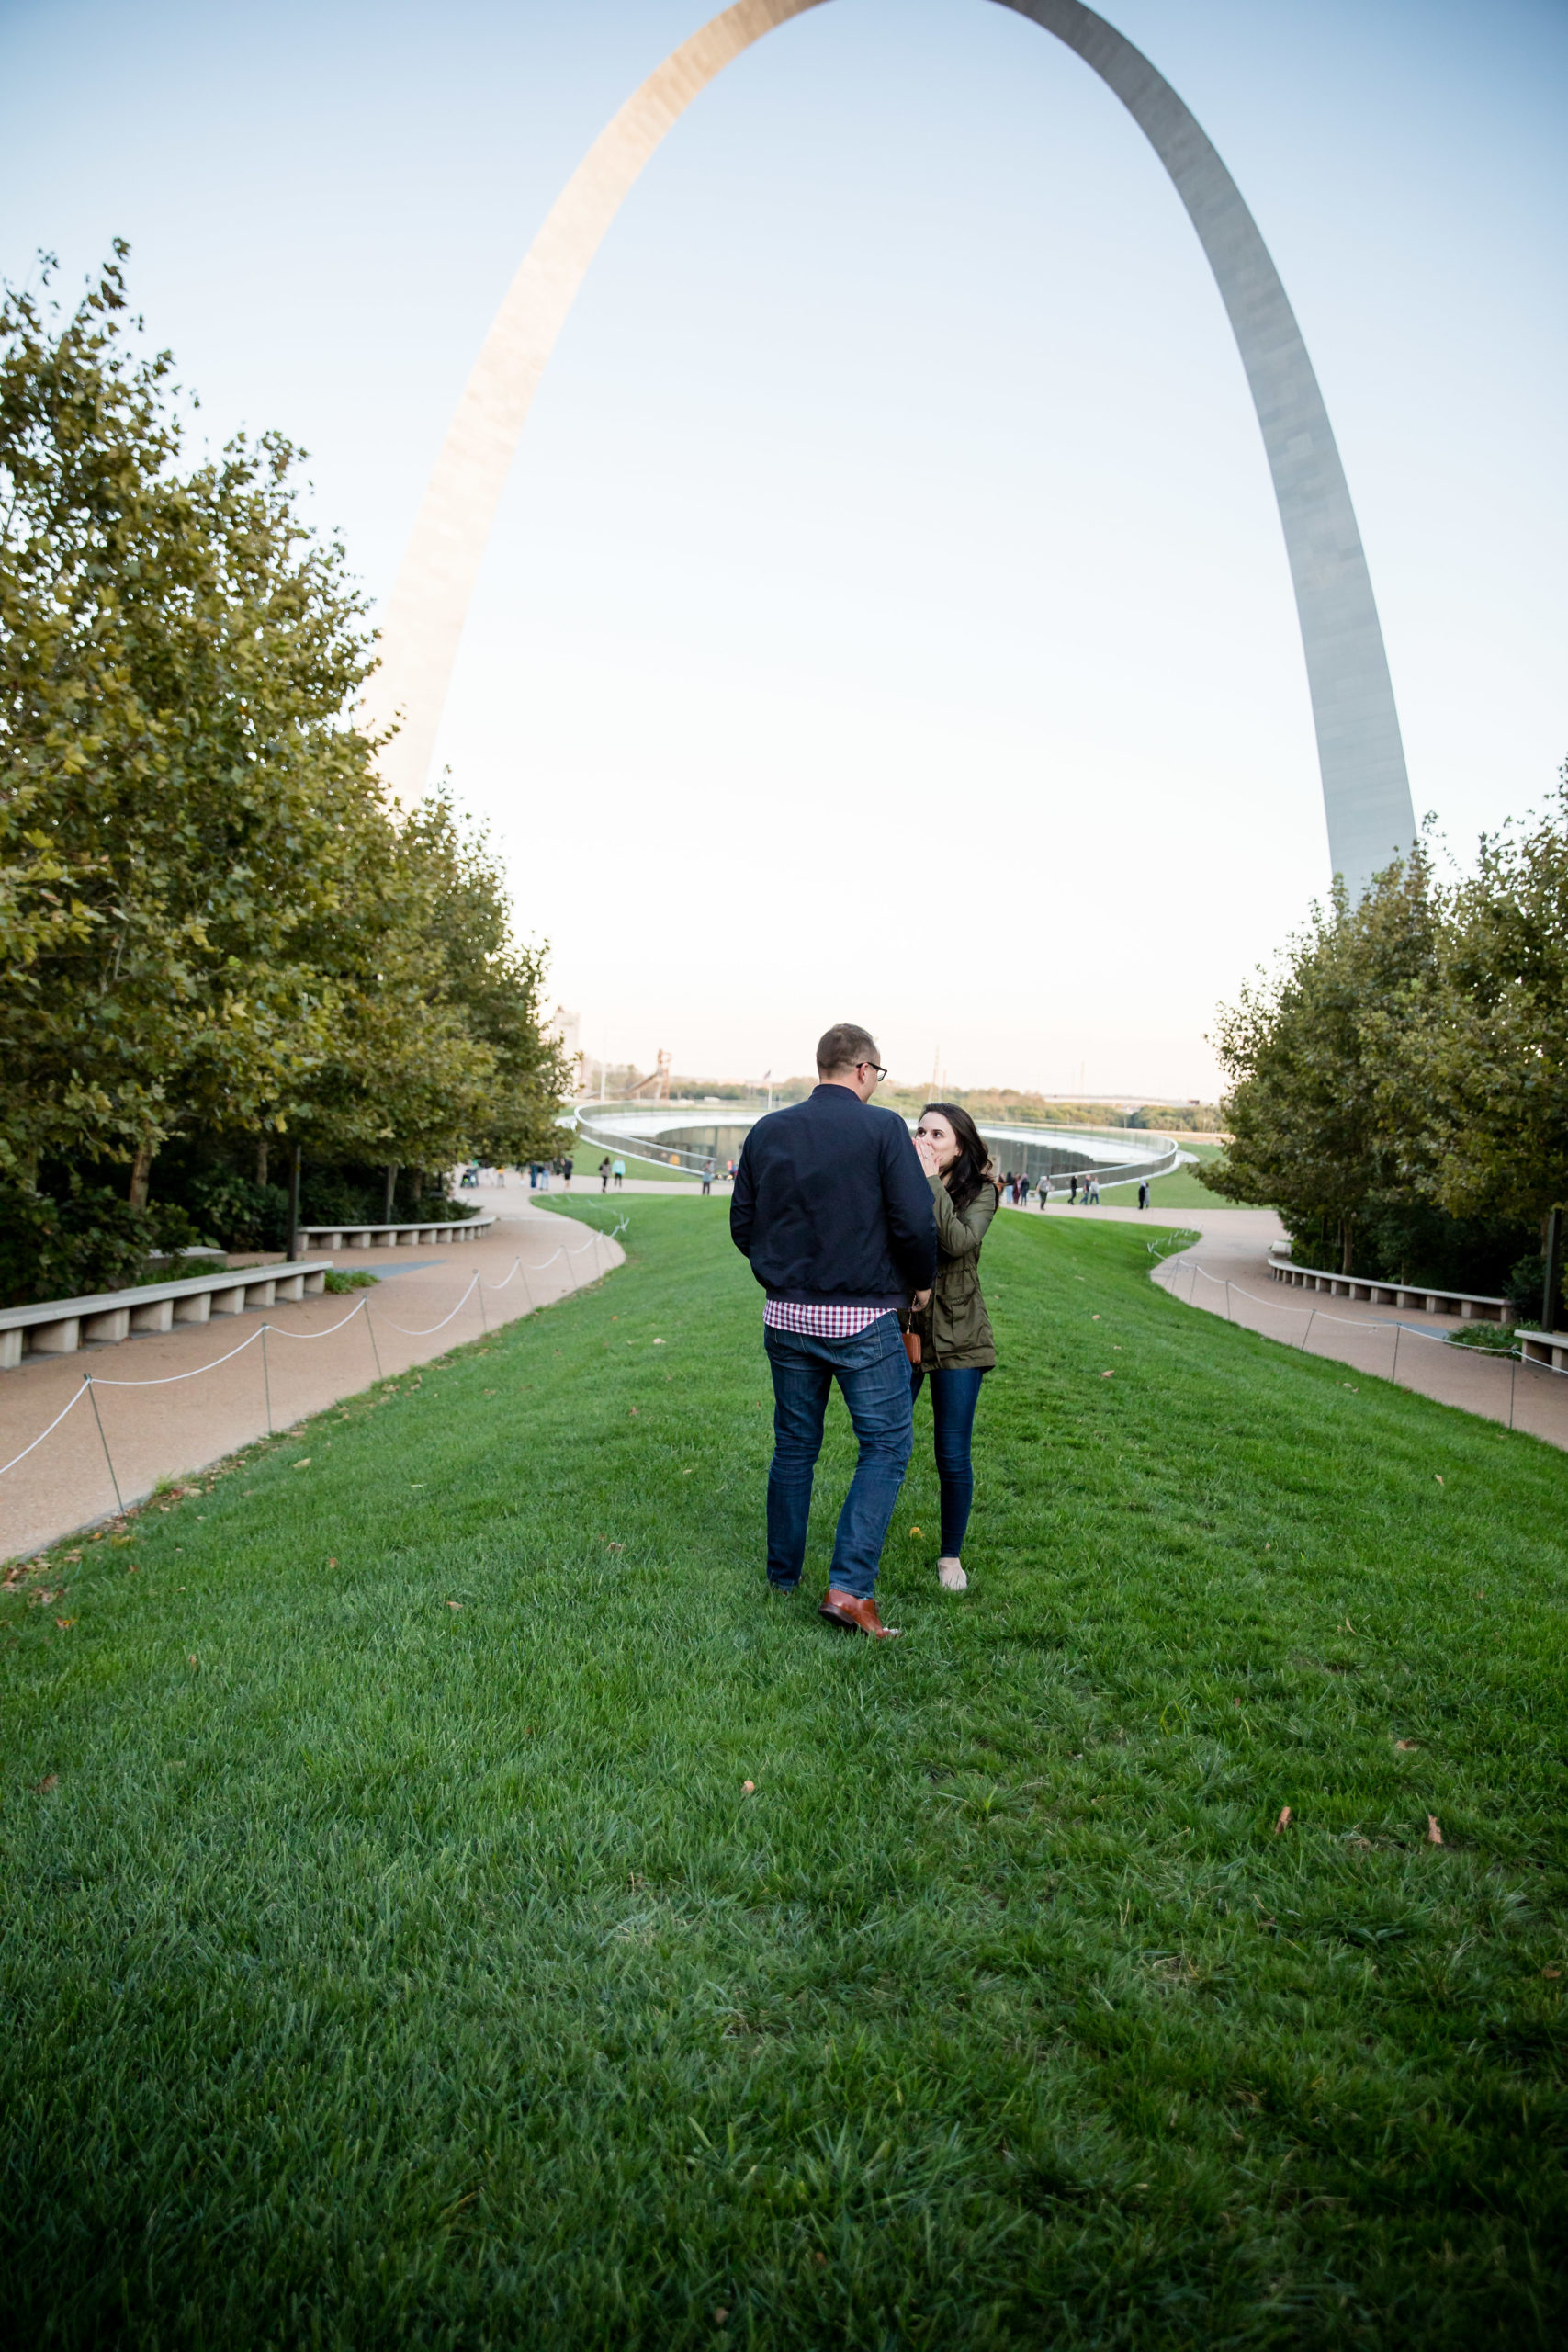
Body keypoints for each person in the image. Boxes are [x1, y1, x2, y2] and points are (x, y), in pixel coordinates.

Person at [731, 1022, 936, 1640]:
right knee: (886, 1446)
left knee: (795, 1446)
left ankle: (781, 1575)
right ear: (863, 1070)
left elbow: (743, 1221)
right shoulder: (880, 1130)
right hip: (859, 1317)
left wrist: (782, 1271)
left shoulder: (769, 1130)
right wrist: (918, 1282)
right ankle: (848, 1590)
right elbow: (913, 1220)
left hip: (787, 1315)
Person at [908, 1104, 999, 1595]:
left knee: (951, 1451)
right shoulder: (902, 1178)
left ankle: (950, 1557)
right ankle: (865, 1544)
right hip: (906, 1329)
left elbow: (958, 1240)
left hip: (962, 1336)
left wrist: (927, 1181)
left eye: (936, 1133)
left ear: (958, 1145)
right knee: (887, 1443)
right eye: (920, 1130)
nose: (925, 1138)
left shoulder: (981, 1192)